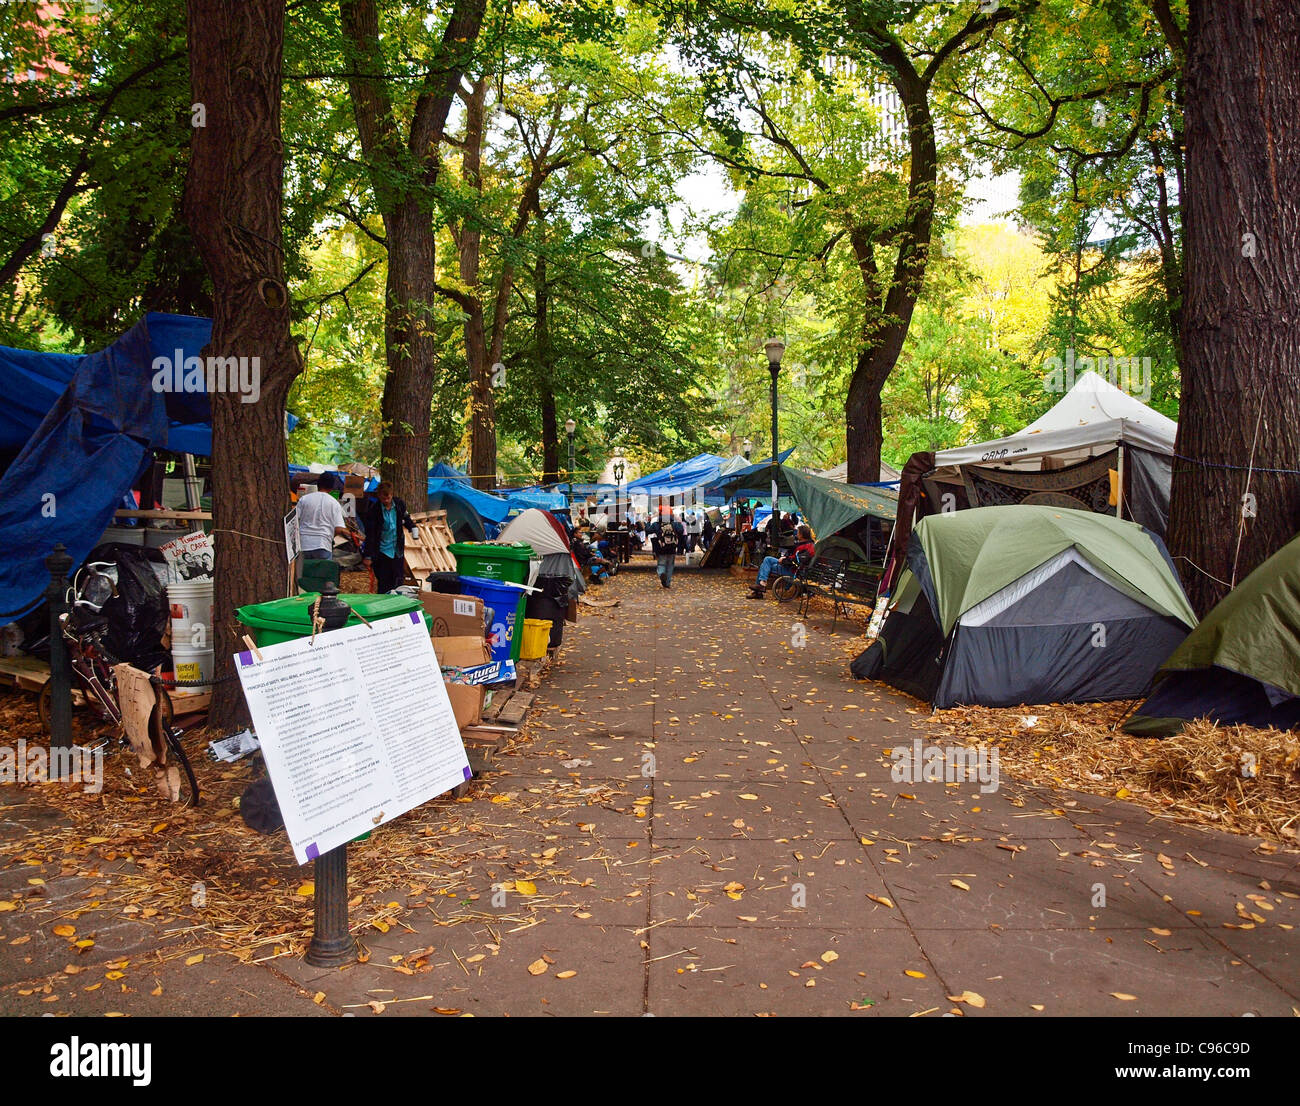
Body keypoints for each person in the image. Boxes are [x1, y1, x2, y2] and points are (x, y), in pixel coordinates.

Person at [359, 481, 420, 593]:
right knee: (384, 583)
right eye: (384, 498)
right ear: (379, 496)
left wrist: (413, 528)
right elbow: (371, 535)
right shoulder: (374, 510)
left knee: (398, 581)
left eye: (389, 497)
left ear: (392, 495)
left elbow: (406, 518)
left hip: (397, 550)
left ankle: (397, 600)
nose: (387, 500)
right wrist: (368, 556)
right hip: (382, 551)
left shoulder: (399, 505)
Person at [297, 473, 353, 563]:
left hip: (303, 544)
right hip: (323, 544)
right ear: (331, 488)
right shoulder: (334, 503)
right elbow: (339, 529)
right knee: (322, 571)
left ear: (317, 485)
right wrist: (331, 537)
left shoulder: (304, 499)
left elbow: (296, 520)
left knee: (302, 571)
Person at [749, 524, 815, 599]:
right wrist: (784, 558)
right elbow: (793, 556)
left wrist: (784, 560)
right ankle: (761, 585)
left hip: (792, 571)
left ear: (802, 534)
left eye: (798, 532)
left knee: (764, 566)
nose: (797, 534)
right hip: (789, 565)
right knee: (767, 560)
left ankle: (760, 589)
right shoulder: (803, 544)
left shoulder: (808, 547)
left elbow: (797, 561)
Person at [648, 505, 684, 588]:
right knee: (670, 565)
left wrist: (648, 521)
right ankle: (667, 582)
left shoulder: (656, 524)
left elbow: (648, 530)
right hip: (672, 547)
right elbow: (681, 531)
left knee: (661, 564)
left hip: (661, 547)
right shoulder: (674, 524)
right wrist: (679, 522)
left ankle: (662, 574)